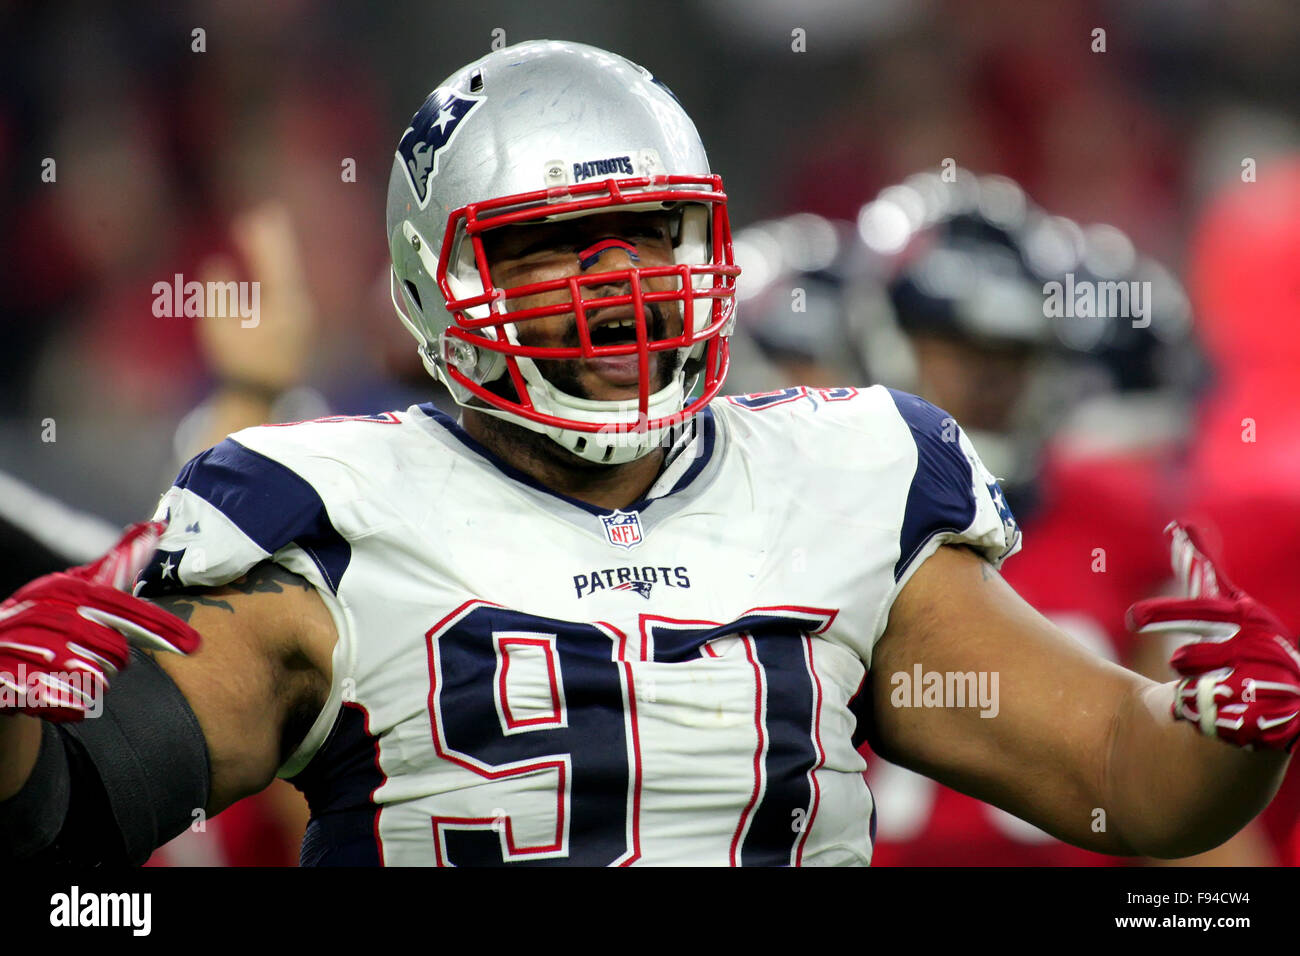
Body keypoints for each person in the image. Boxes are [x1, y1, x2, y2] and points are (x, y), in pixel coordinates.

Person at [1, 40, 1297, 867]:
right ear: (432, 281)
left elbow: (1132, 784)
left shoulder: (847, 476)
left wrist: (1232, 734)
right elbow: (62, 814)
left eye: (647, 235)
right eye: (554, 245)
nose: (615, 284)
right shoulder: (328, 510)